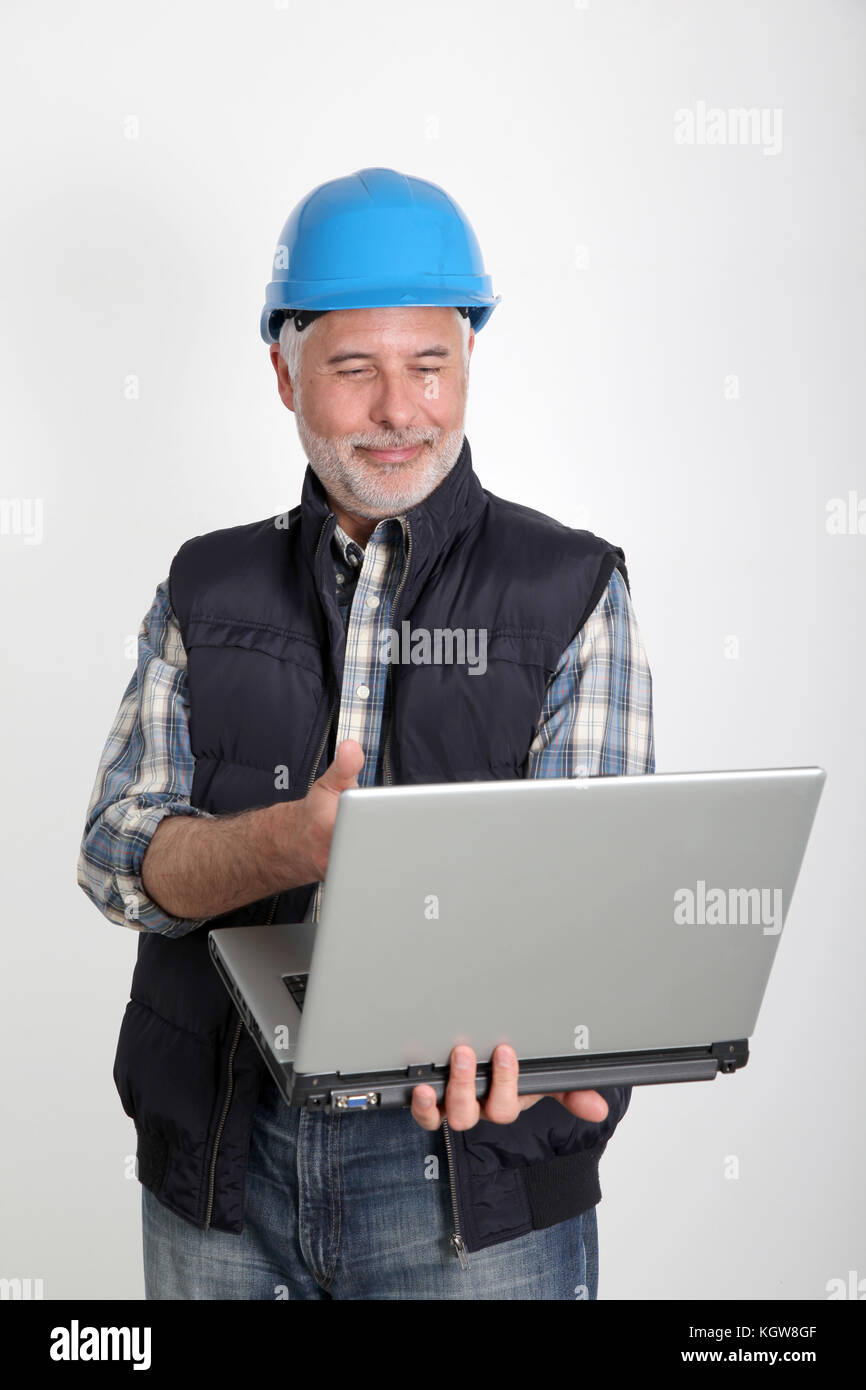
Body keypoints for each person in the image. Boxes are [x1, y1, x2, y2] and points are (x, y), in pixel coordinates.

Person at [77, 167, 654, 1300]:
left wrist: (540, 1053)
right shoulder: (205, 585)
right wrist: (288, 844)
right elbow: (113, 855)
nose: (400, 410)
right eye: (354, 369)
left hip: (466, 1188)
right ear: (283, 371)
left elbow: (602, 912)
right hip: (220, 1175)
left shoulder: (571, 587)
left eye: (428, 365)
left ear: (467, 363)